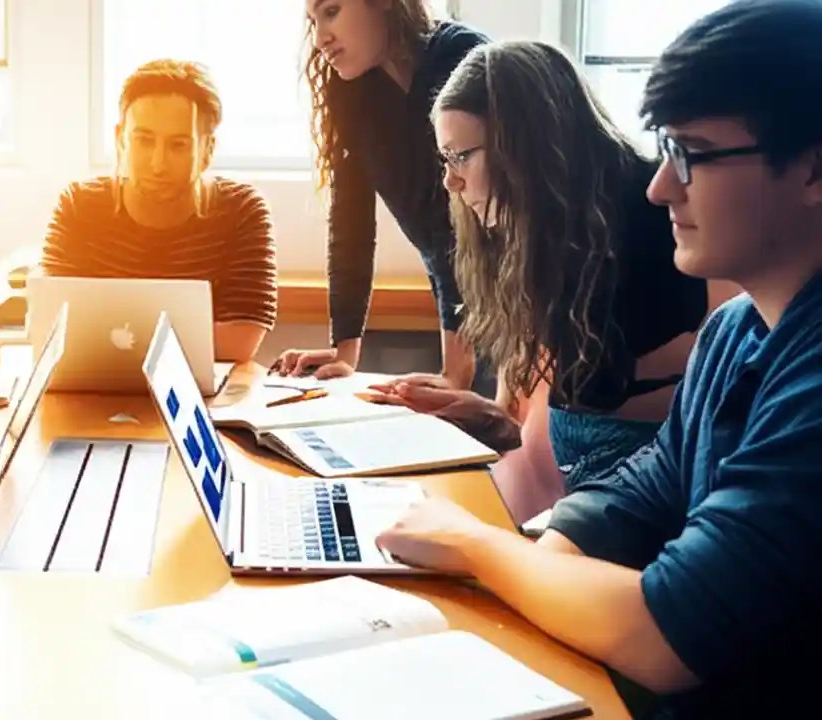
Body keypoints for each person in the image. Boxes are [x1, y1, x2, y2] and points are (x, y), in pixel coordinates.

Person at [377, 2, 822, 717]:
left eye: (691, 154)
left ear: (812, 167)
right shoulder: (735, 331)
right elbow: (636, 495)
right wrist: (539, 559)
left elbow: (669, 635)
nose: (659, 186)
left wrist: (476, 546)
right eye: (664, 150)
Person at [367, 41, 735, 487]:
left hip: (648, 485)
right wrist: (477, 414)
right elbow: (526, 424)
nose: (451, 181)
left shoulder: (658, 226)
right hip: (580, 484)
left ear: (523, 148)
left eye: (461, 156)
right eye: (445, 159)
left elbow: (679, 423)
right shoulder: (535, 238)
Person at [273, 0, 489, 386]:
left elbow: (469, 231)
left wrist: (458, 372)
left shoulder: (465, 61)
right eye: (313, 21)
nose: (320, 38)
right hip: (470, 306)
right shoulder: (354, 90)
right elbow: (351, 223)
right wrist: (345, 352)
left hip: (534, 304)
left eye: (332, 11)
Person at [40, 59, 277, 363]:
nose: (158, 164)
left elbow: (239, 340)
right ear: (120, 139)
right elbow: (51, 325)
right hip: (92, 382)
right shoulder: (79, 205)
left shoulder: (242, 211)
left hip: (200, 388)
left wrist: (114, 336)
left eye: (178, 145)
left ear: (207, 150)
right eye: (144, 141)